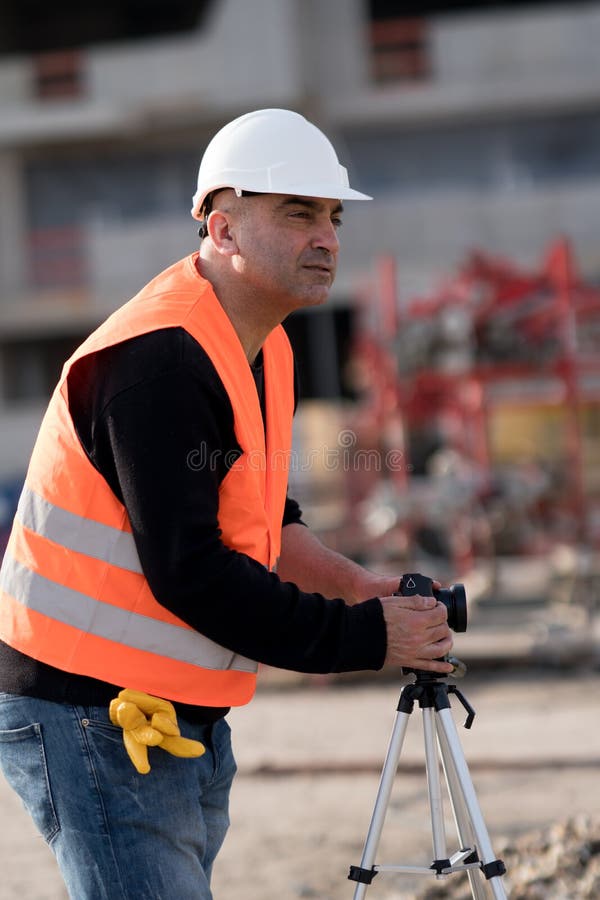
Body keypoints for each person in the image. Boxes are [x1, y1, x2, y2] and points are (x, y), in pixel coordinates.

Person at [0, 108, 453, 899]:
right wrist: (366, 637)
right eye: (299, 213)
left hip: (171, 711)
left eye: (333, 216)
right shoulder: (159, 362)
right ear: (223, 228)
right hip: (89, 710)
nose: (327, 238)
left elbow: (263, 518)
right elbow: (193, 572)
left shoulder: (261, 345)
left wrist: (354, 586)